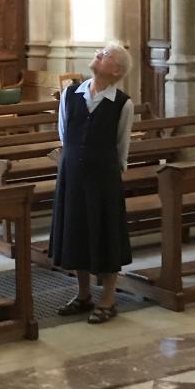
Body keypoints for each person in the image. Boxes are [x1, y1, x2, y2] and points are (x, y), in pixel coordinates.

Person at [50, 42, 134, 324]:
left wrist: (109, 171)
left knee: (105, 233)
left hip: (103, 176)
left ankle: (108, 300)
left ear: (117, 70)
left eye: (106, 54)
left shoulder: (122, 104)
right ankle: (83, 294)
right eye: (101, 51)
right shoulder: (71, 94)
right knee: (77, 231)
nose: (99, 54)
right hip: (73, 173)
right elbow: (64, 132)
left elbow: (121, 146)